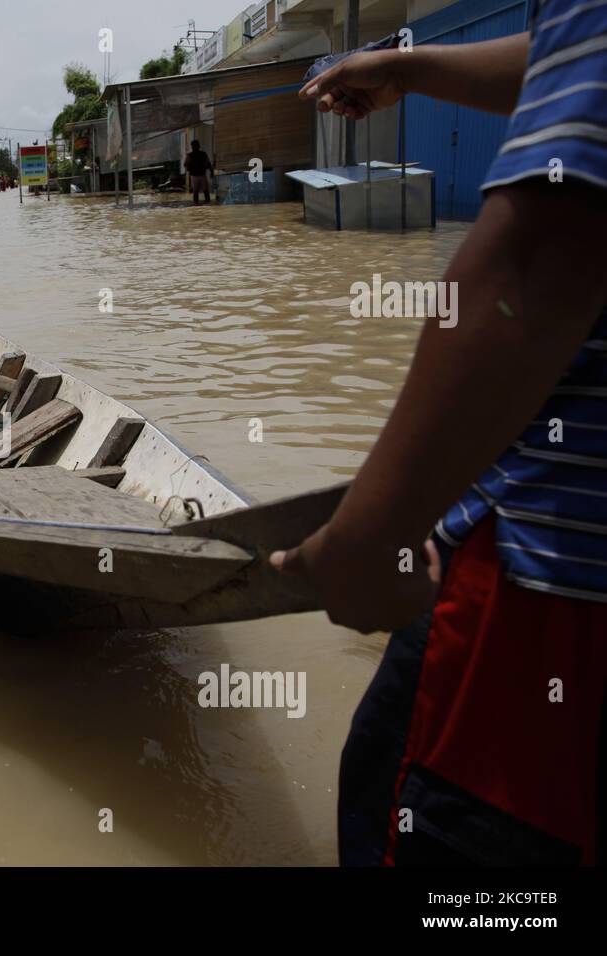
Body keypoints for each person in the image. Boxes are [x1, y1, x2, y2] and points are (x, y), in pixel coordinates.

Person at [274, 2, 607, 866]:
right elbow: (569, 60)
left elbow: (536, 260)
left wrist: (371, 538)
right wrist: (413, 70)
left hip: (549, 585)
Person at [185, 140, 212, 205]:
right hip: (200, 175)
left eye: (194, 146)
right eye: (194, 146)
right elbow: (208, 164)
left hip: (196, 175)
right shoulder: (203, 154)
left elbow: (186, 165)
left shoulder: (190, 155)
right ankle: (207, 203)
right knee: (203, 190)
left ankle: (197, 204)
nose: (194, 147)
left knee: (196, 191)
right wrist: (212, 172)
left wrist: (189, 169)